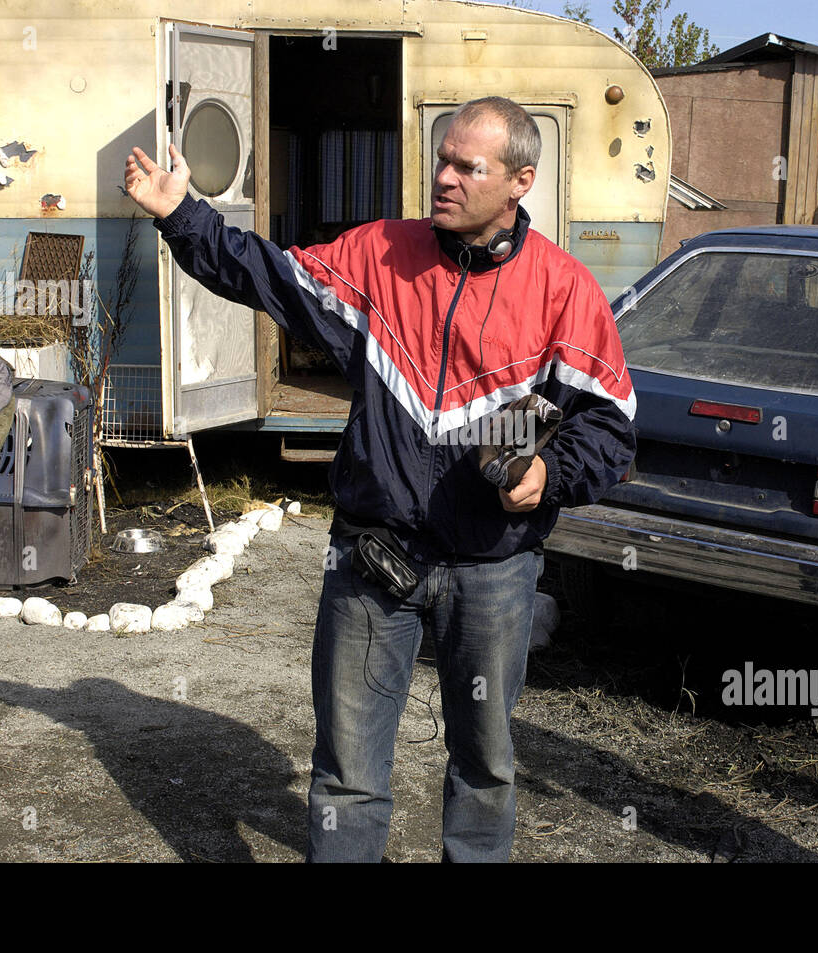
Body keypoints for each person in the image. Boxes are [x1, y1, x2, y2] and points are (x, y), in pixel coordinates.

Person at [123, 97, 637, 862]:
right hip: (371, 562)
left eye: (470, 166)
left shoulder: (565, 290)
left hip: (493, 572)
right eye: (443, 158)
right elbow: (267, 276)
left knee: (486, 770)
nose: (446, 177)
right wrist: (182, 216)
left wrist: (548, 471)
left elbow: (613, 427)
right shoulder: (378, 256)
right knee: (348, 775)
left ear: (520, 181)